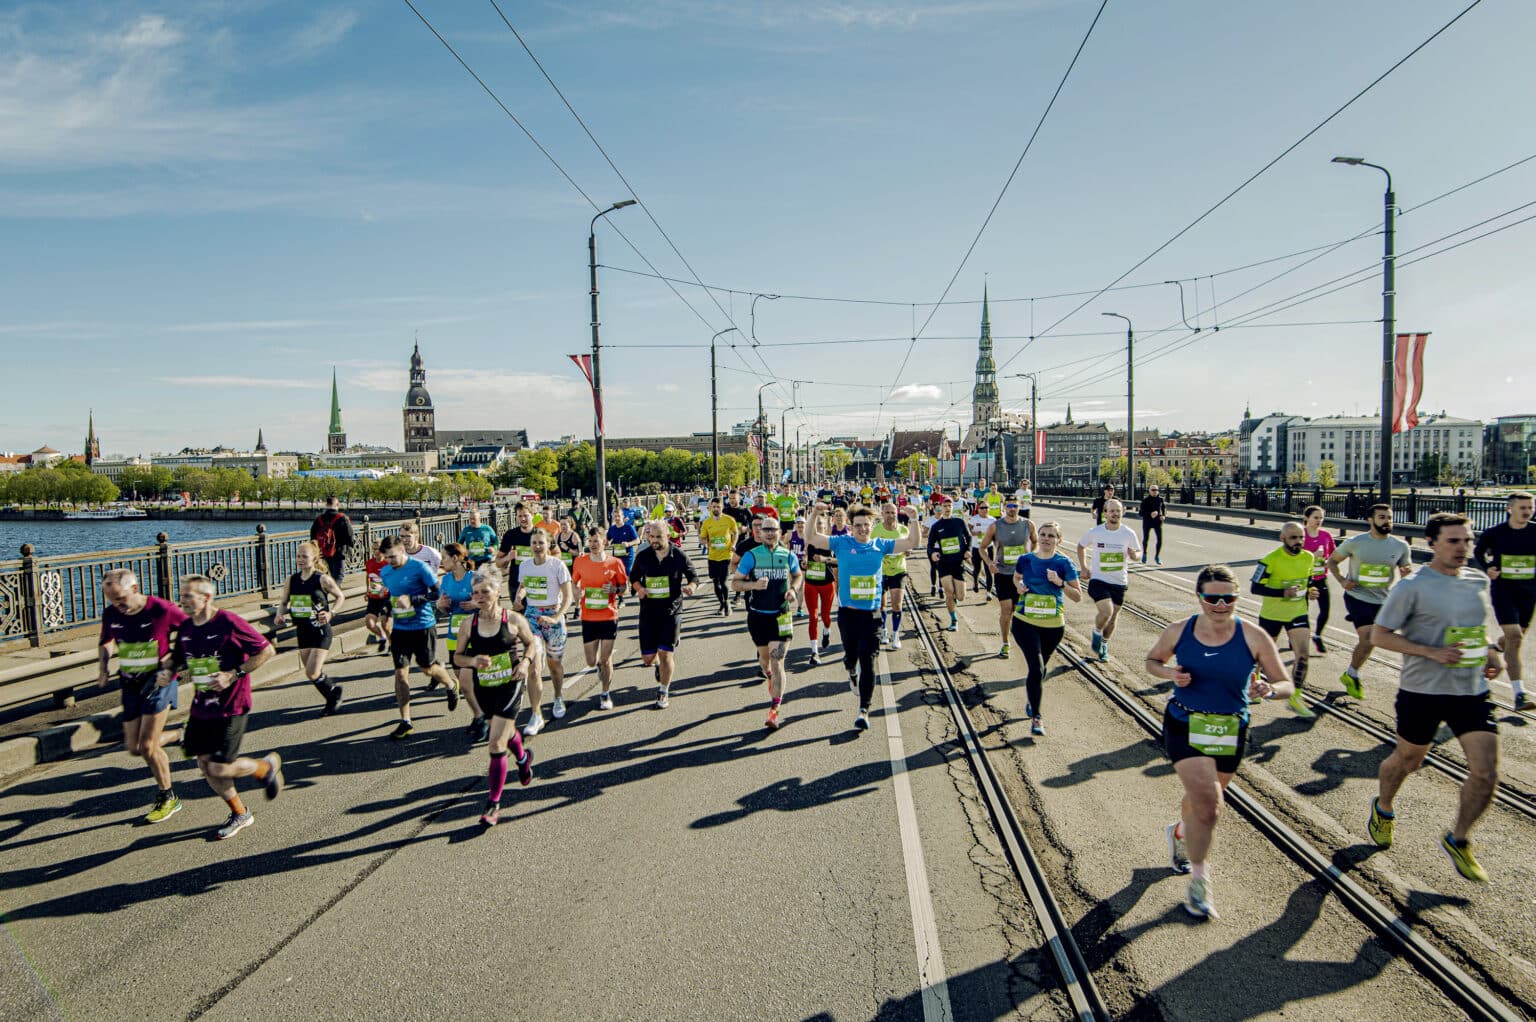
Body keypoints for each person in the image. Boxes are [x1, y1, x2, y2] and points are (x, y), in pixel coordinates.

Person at [1144, 565, 1293, 919]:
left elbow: (1286, 684)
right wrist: (1169, 673)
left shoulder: (1254, 636)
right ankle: (1199, 881)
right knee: (1210, 807)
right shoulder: (1180, 630)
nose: (1221, 604)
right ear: (1199, 598)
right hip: (1184, 722)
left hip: (1231, 728)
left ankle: (1180, 833)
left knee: (1202, 804)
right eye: (1213, 598)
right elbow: (1152, 661)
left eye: (1229, 598)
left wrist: (1269, 690)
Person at [1368, 513, 1503, 882]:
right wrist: (1431, 652)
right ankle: (1383, 807)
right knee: (1408, 761)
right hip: (1422, 691)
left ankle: (1458, 838)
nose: (1463, 548)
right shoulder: (1413, 585)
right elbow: (1379, 636)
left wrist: (1491, 653)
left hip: (1471, 691)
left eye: (1467, 541)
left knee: (1486, 772)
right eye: (1454, 541)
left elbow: (1479, 631)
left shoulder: (1476, 581)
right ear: (1432, 544)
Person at [164, 573, 282, 841]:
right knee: (205, 765)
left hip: (232, 706)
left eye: (187, 596)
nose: (182, 601)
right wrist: (166, 671)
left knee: (219, 768)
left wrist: (233, 674)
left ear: (206, 598)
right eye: (181, 596)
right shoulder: (186, 628)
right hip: (201, 708)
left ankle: (262, 768)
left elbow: (266, 651)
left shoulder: (228, 622)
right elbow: (178, 659)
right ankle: (240, 813)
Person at [804, 503, 922, 730]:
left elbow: (912, 543)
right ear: (851, 527)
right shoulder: (842, 543)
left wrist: (915, 519)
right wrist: (814, 514)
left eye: (866, 525)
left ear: (871, 526)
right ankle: (850, 671)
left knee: (868, 662)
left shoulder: (880, 545)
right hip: (848, 614)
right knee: (851, 657)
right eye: (857, 525)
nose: (862, 529)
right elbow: (812, 538)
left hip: (872, 615)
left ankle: (863, 710)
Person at [97, 568, 189, 823]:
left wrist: (172, 658)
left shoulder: (160, 609)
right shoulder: (111, 612)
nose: (118, 606)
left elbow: (190, 630)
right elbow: (106, 640)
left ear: (135, 589)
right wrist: (103, 667)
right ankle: (180, 735)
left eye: (121, 599)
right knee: (135, 747)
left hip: (159, 680)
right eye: (111, 600)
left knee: (148, 746)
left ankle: (168, 796)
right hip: (130, 683)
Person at [452, 568, 536, 827]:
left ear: (497, 592)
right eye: (475, 592)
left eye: (485, 592)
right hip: (484, 687)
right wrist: (473, 661)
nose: (479, 596)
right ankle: (523, 759)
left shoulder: (512, 619)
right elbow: (457, 658)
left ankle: (493, 805)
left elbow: (531, 643)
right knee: (506, 734)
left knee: (496, 744)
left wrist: (524, 663)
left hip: (510, 686)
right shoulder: (469, 624)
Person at [379, 534, 461, 740]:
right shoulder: (386, 572)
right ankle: (406, 721)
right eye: (386, 557)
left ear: (402, 551)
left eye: (393, 557)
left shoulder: (419, 568)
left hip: (423, 625)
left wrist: (413, 599)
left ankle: (451, 685)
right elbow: (393, 597)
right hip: (400, 629)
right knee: (400, 674)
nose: (390, 561)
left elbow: (437, 593)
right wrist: (386, 610)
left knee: (427, 669)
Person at [1327, 503, 1413, 699]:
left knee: (1377, 640)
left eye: (1389, 517)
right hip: (1358, 597)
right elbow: (1332, 561)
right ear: (1370, 520)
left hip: (1384, 599)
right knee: (1367, 639)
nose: (1387, 521)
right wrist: (1342, 580)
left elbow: (1405, 568)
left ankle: (1350, 673)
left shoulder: (1400, 546)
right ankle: (1354, 675)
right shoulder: (1356, 542)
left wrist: (1406, 571)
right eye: (1382, 517)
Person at [1010, 521, 1081, 736]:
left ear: (1058, 540)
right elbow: (1016, 577)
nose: (1046, 539)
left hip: (1052, 627)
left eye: (1051, 535)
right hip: (1025, 622)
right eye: (1043, 534)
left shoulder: (1064, 563)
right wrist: (1018, 586)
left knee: (1040, 670)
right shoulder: (1026, 559)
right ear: (1037, 537)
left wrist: (1060, 583)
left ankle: (1033, 699)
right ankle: (1037, 717)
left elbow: (1078, 596)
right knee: (1036, 668)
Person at [732, 516, 803, 729]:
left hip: (781, 615)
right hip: (758, 615)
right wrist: (753, 585)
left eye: (773, 530)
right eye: (766, 530)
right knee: (765, 662)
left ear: (780, 532)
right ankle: (769, 675)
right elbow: (735, 583)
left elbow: (798, 575)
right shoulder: (751, 556)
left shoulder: (788, 555)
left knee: (777, 659)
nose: (770, 533)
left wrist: (793, 589)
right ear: (759, 533)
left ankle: (774, 710)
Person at [1473, 491, 1535, 710]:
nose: (1527, 512)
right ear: (1510, 509)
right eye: (1523, 508)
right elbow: (1478, 552)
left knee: (1512, 640)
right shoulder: (1495, 533)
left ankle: (1492, 649)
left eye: (1530, 507)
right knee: (1515, 637)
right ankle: (1520, 693)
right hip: (1504, 591)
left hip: (1528, 594)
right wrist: (1488, 568)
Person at [1250, 523, 1320, 718]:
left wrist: (1311, 592)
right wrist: (1282, 592)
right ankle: (1252, 688)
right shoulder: (1270, 560)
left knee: (1303, 655)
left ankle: (1295, 696)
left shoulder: (1309, 557)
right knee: (1259, 657)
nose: (1298, 542)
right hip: (1272, 614)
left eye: (1301, 538)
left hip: (1298, 612)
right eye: (1293, 538)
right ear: (1282, 539)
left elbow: (1308, 581)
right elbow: (1255, 588)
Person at [272, 541, 347, 716]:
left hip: (320, 630)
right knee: (312, 673)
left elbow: (340, 596)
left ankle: (332, 699)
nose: (300, 560)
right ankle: (333, 690)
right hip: (302, 630)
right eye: (298, 556)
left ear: (314, 558)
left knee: (312, 671)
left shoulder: (322, 579)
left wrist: (331, 613)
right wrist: (279, 614)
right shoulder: (292, 580)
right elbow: (284, 602)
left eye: (304, 557)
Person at [630, 521, 697, 708]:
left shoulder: (679, 556)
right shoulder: (643, 556)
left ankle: (663, 691)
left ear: (668, 535)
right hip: (648, 612)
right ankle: (659, 663)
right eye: (651, 537)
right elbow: (633, 578)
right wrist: (640, 588)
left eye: (659, 537)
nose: (654, 540)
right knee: (648, 659)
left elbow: (694, 577)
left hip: (671, 611)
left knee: (666, 653)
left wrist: (691, 587)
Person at [515, 529, 574, 737]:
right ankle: (536, 713)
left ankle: (558, 696)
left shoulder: (557, 565)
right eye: (534, 543)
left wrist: (557, 617)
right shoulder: (525, 565)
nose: (537, 546)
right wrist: (518, 597)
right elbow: (524, 586)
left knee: (554, 664)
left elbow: (568, 597)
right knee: (534, 666)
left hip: (554, 617)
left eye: (541, 542)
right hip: (532, 617)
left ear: (548, 545)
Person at [1077, 498, 1143, 662]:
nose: (1115, 513)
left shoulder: (1128, 533)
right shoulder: (1096, 531)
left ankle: (1104, 644)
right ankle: (1097, 631)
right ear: (1105, 513)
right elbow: (1081, 546)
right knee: (1107, 611)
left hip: (1119, 581)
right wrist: (1084, 568)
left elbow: (1138, 552)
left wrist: (1135, 555)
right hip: (1098, 579)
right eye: (1111, 510)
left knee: (1113, 618)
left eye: (1118, 510)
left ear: (1123, 512)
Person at [570, 528, 628, 709]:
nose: (593, 545)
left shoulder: (615, 563)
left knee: (605, 659)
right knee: (590, 661)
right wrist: (576, 593)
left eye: (597, 541)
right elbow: (574, 582)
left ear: (604, 542)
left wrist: (615, 591)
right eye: (590, 541)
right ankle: (599, 668)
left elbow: (624, 588)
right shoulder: (580, 562)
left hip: (609, 615)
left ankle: (605, 693)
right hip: (588, 616)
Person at [436, 544, 488, 743]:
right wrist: (440, 606)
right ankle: (479, 714)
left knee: (469, 682)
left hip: (475, 632)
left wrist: (477, 604)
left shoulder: (474, 577)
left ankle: (481, 717)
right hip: (454, 634)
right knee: (462, 681)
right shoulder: (446, 580)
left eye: (445, 558)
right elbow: (444, 610)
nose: (442, 562)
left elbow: (492, 601)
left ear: (456, 558)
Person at [981, 498, 1037, 659]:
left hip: (1023, 575)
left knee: (1020, 611)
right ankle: (1005, 643)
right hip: (1003, 574)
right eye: (1009, 506)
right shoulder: (995, 526)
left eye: (1015, 506)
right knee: (1006, 611)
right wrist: (990, 563)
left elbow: (1035, 542)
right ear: (1004, 507)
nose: (1012, 508)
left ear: (1019, 507)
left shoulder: (1028, 524)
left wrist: (1031, 557)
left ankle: (1025, 640)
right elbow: (982, 548)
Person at [927, 498, 971, 632]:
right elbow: (930, 545)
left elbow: (968, 537)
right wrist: (933, 553)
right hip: (944, 563)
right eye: (944, 506)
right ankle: (954, 619)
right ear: (940, 507)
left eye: (949, 506)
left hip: (958, 562)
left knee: (961, 596)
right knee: (949, 593)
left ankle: (955, 601)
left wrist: (968, 550)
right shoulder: (936, 526)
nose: (947, 508)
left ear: (952, 508)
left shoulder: (959, 522)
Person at [873, 503, 912, 650]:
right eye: (888, 513)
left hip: (899, 570)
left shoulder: (903, 530)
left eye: (893, 513)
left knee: (896, 604)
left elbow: (910, 545)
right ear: (882, 514)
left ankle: (895, 634)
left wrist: (908, 550)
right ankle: (884, 630)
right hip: (881, 571)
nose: (891, 515)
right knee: (881, 605)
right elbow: (872, 548)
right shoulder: (876, 531)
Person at [800, 515, 837, 665]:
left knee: (826, 617)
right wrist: (804, 563)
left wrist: (824, 559)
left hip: (827, 583)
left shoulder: (831, 542)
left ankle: (826, 631)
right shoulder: (808, 542)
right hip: (811, 583)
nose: (817, 526)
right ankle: (814, 652)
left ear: (825, 526)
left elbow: (838, 562)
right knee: (813, 616)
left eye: (820, 524)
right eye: (815, 524)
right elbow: (804, 558)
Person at [1301, 505, 1337, 654]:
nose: (1319, 521)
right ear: (1306, 519)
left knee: (1325, 610)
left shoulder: (1325, 535)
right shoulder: (1300, 535)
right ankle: (1297, 638)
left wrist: (1330, 561)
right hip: (1303, 578)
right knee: (1302, 611)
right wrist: (1312, 555)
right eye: (1316, 517)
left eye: (1321, 518)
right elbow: (1293, 555)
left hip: (1321, 577)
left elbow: (1334, 554)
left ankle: (1317, 636)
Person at [496, 504, 538, 601]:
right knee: (519, 615)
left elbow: (556, 554)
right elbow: (498, 562)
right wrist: (508, 557)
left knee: (536, 615)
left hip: (537, 582)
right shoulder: (510, 535)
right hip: (516, 582)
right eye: (519, 516)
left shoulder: (541, 534)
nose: (523, 519)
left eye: (526, 515)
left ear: (532, 515)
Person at [310, 494, 355, 581]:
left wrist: (315, 551)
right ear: (337, 505)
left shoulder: (319, 519)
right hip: (339, 551)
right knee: (338, 576)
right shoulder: (342, 518)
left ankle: (329, 591)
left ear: (326, 505)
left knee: (327, 574)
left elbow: (313, 535)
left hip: (323, 551)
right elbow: (349, 534)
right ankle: (335, 592)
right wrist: (350, 547)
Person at [363, 538, 393, 653]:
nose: (376, 551)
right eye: (374, 549)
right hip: (373, 598)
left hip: (386, 598)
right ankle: (382, 637)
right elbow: (368, 577)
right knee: (369, 624)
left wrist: (384, 588)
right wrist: (367, 591)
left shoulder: (388, 564)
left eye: (379, 549)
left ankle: (392, 645)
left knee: (386, 624)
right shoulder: (369, 563)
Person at [967, 502, 994, 597]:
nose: (984, 509)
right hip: (976, 547)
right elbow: (968, 528)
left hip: (989, 547)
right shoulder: (974, 519)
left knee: (989, 569)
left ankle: (989, 592)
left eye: (986, 507)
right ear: (978, 509)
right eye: (982, 508)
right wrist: (973, 533)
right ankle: (975, 582)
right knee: (977, 568)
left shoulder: (992, 520)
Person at [606, 506, 641, 581]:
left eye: (619, 516)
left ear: (623, 516)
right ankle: (621, 591)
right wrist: (607, 543)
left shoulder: (629, 527)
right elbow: (607, 540)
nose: (617, 518)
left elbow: (638, 540)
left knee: (626, 575)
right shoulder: (611, 529)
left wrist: (628, 544)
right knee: (617, 576)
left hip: (627, 557)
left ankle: (628, 589)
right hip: (616, 556)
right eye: (615, 516)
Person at [1139, 485, 1167, 565]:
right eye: (1153, 490)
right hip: (1147, 521)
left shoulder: (1160, 499)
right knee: (1146, 539)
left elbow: (1163, 509)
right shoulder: (1145, 500)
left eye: (1156, 490)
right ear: (1149, 491)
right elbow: (1141, 513)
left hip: (1157, 522)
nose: (1155, 491)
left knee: (1160, 539)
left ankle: (1157, 556)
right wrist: (1150, 514)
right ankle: (1144, 553)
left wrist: (1163, 516)